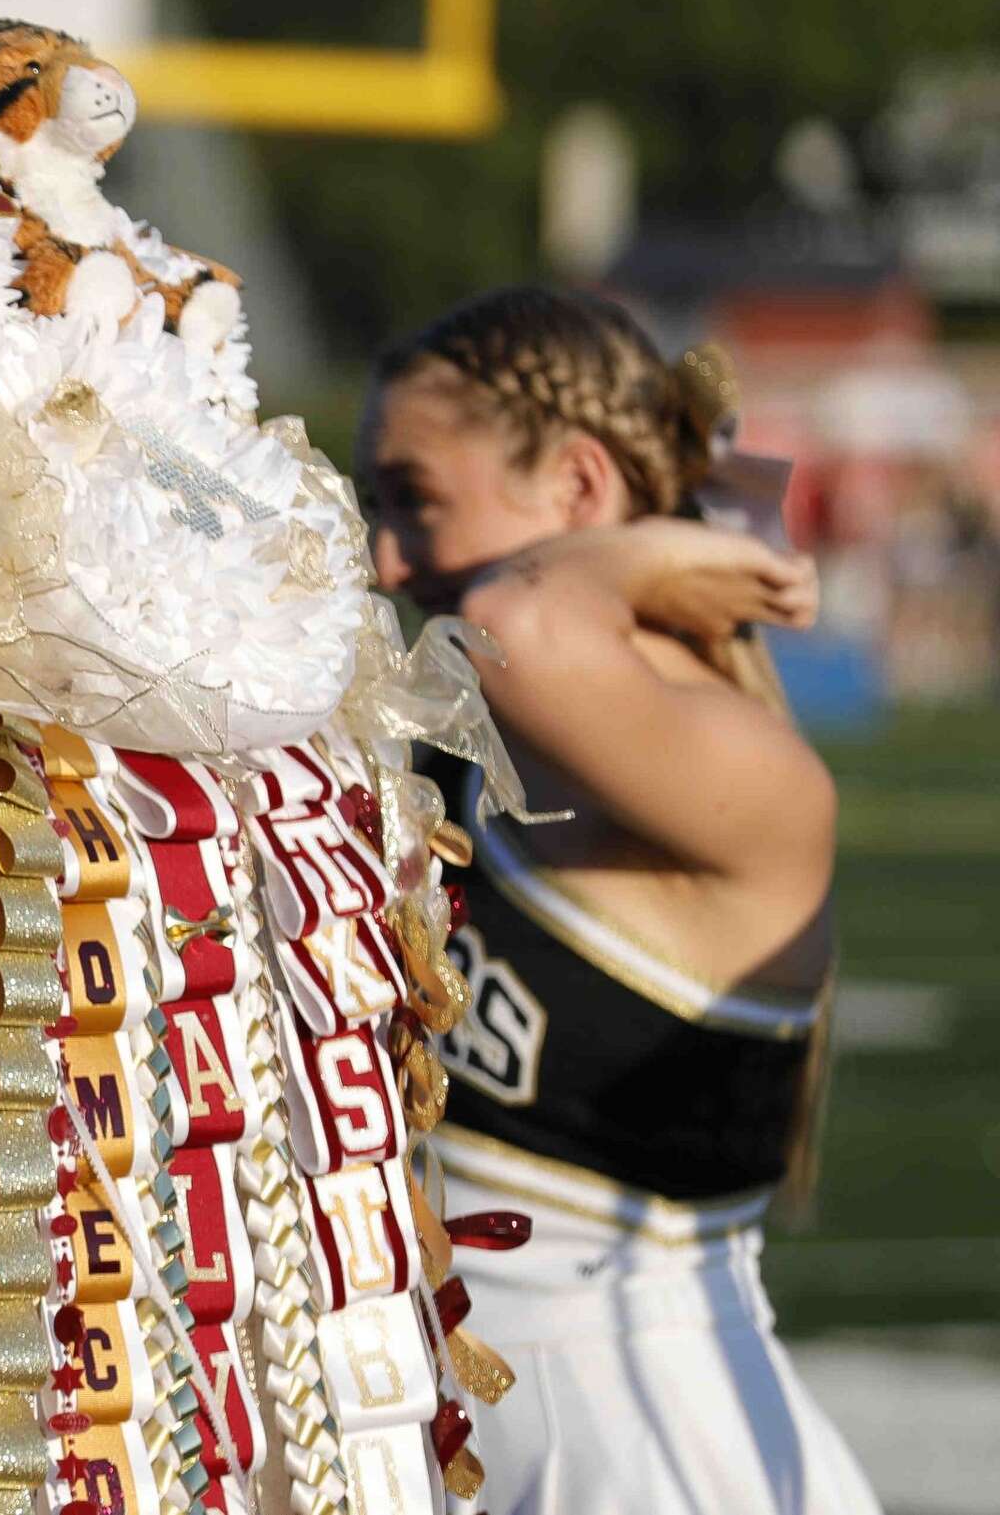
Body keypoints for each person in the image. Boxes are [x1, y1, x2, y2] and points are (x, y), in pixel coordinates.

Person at [357, 287, 880, 1513]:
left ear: (581, 491)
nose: (388, 556)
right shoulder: (462, 737)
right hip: (481, 1434)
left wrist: (633, 559)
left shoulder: (750, 769)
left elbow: (518, 621)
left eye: (416, 499)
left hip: (656, 1463)